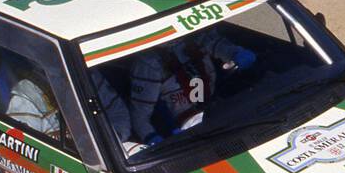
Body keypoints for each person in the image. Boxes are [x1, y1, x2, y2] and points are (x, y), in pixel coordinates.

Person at [94, 28, 256, 148]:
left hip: (219, 108)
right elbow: (139, 117)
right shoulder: (149, 64)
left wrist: (236, 54)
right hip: (188, 127)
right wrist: (154, 139)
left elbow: (219, 45)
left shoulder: (196, 36)